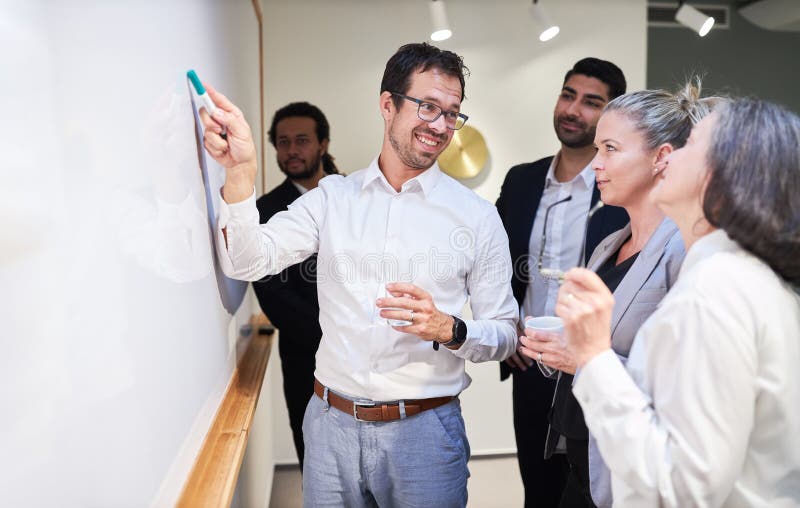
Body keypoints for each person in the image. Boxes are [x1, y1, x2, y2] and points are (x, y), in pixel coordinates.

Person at [200, 42, 518, 506]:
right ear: (388, 104)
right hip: (329, 428)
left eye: (452, 113)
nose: (440, 125)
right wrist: (240, 172)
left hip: (426, 436)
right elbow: (247, 261)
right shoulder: (333, 198)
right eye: (428, 106)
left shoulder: (477, 217)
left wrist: (449, 328)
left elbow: (505, 333)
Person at [551, 98, 800, 506]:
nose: (669, 157)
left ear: (720, 176)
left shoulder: (714, 292)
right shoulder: (738, 278)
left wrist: (593, 355)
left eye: (690, 145)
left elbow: (680, 487)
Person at [521, 83, 716, 507]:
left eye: (610, 149)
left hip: (631, 469)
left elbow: (686, 386)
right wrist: (557, 348)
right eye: (597, 149)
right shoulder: (609, 245)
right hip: (579, 454)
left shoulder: (687, 253)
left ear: (661, 157)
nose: (596, 164)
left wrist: (584, 359)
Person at [495, 57, 629, 507]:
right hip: (530, 362)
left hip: (592, 363)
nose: (573, 110)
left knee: (589, 491)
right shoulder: (522, 180)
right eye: (568, 95)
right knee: (537, 488)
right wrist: (505, 322)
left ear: (610, 115)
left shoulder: (618, 190)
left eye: (591, 102)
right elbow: (492, 263)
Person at [253, 102, 338, 469]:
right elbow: (273, 293)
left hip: (373, 359)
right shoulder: (264, 210)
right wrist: (339, 333)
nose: (291, 150)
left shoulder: (352, 194)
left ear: (322, 144)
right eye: (283, 142)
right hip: (307, 362)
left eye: (302, 140)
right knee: (319, 466)